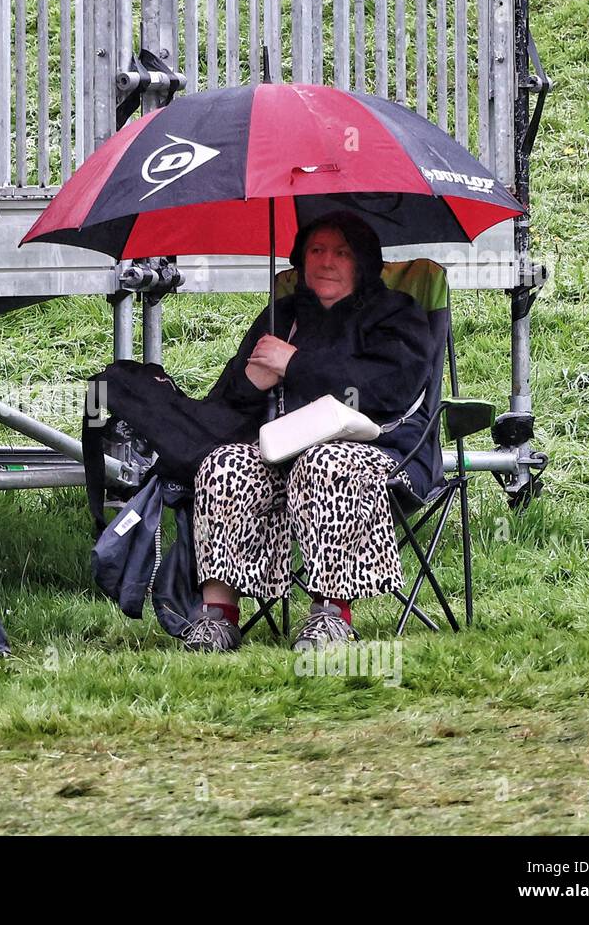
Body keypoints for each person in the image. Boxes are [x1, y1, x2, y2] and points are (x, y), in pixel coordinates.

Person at [185, 210, 436, 652]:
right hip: (284, 454)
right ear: (301, 263)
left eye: (341, 252)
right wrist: (252, 381)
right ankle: (217, 617)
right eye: (316, 251)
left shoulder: (397, 314)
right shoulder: (282, 317)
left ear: (363, 262)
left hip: (384, 452)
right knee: (223, 465)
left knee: (325, 462)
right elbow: (224, 402)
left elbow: (391, 388)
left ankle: (332, 616)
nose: (326, 262)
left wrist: (295, 366)